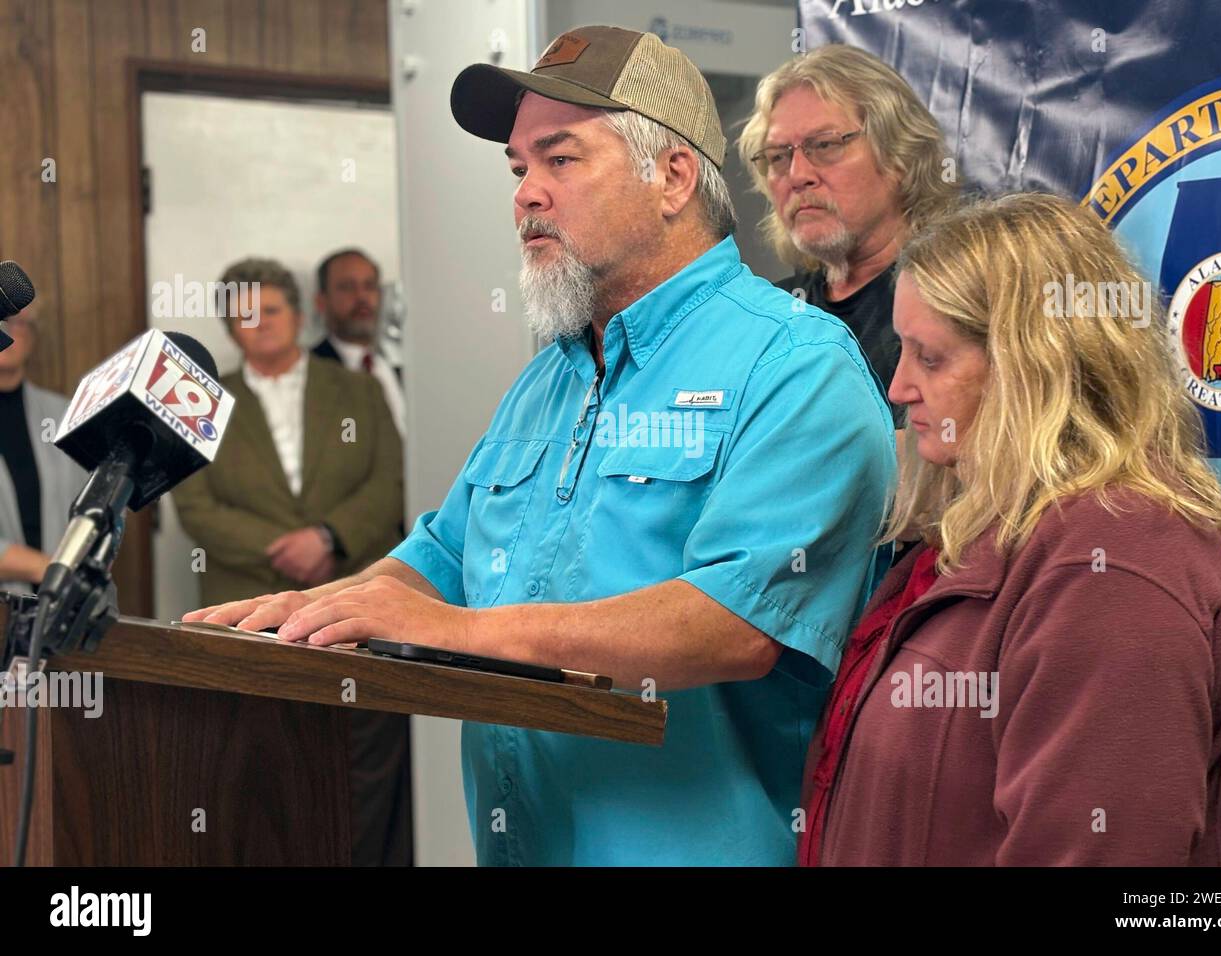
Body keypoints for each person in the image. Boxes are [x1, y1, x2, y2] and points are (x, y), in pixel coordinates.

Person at [184, 25, 897, 866]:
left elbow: (734, 624)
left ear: (670, 177)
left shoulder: (795, 364)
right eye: (519, 168)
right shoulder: (549, 377)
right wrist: (305, 617)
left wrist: (456, 629)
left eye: (561, 160)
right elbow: (443, 554)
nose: (526, 194)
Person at [800, 193, 1221, 866]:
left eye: (931, 358)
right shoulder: (990, 529)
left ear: (1029, 367)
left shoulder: (1113, 569)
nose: (897, 388)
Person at [170, 257, 412, 867]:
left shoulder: (358, 388)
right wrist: (289, 546)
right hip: (248, 616)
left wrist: (328, 537)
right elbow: (195, 506)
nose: (260, 322)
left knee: (363, 767)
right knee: (261, 771)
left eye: (271, 308)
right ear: (229, 325)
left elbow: (388, 485)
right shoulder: (202, 399)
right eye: (245, 313)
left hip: (353, 609)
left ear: (300, 316)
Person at [738, 44, 959, 430]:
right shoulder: (763, 311)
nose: (797, 174)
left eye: (824, 145)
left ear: (900, 157)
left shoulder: (956, 301)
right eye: (777, 156)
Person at [0, 302, 88, 594]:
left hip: (58, 613)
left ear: (32, 334)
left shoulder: (64, 416)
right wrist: (46, 566)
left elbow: (91, 509)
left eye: (16, 321)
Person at [311, 249, 405, 437]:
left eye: (369, 286)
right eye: (347, 287)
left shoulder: (402, 368)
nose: (361, 296)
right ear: (321, 302)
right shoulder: (309, 372)